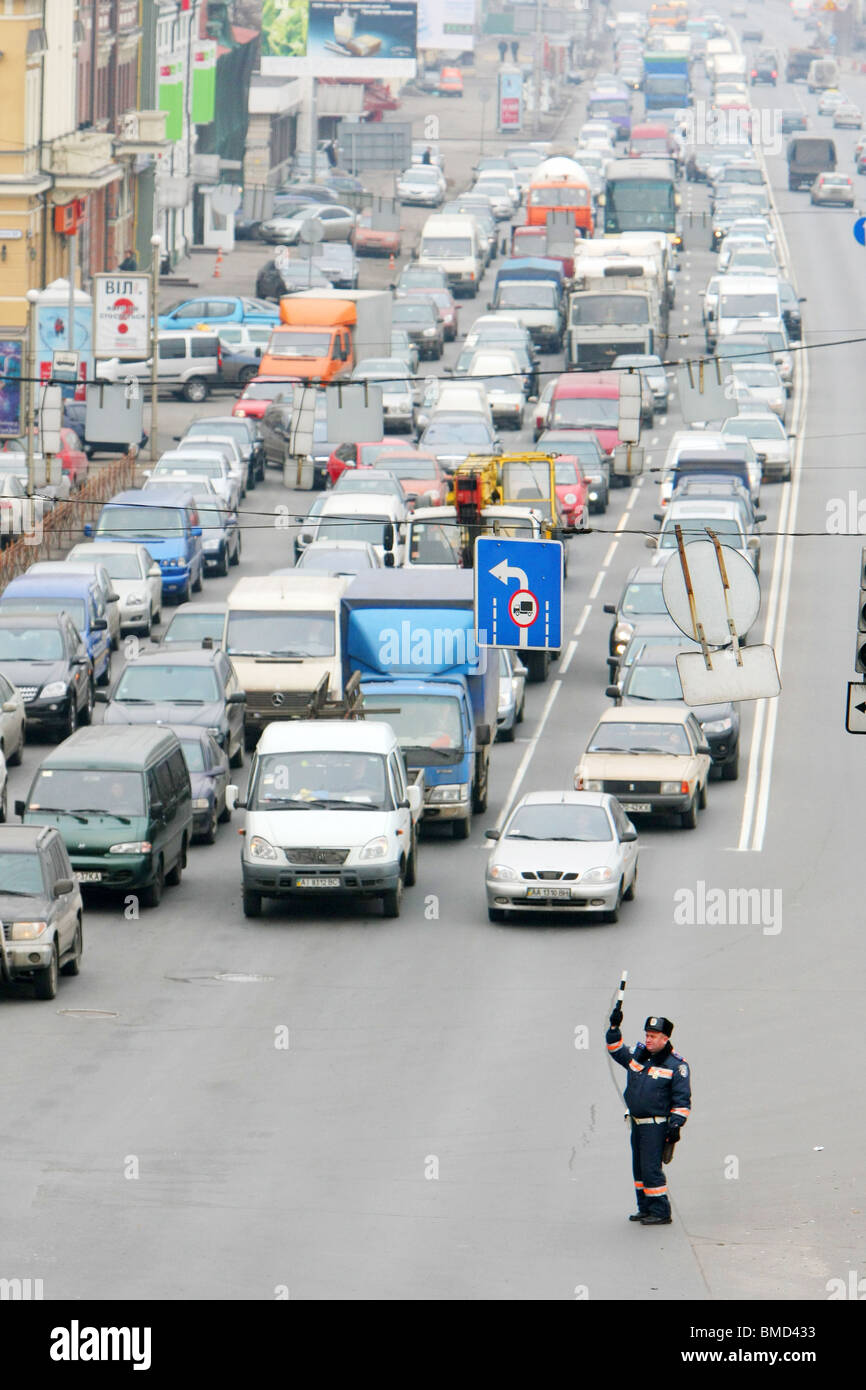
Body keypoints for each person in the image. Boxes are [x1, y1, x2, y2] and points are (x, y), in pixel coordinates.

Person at [606, 1010, 691, 1225]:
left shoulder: (676, 1066)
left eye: (653, 1036)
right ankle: (644, 1207)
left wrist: (675, 1125)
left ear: (665, 1038)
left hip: (656, 1125)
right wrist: (614, 1029)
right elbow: (616, 1051)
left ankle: (661, 1211)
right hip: (637, 1123)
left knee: (651, 1168)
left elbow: (682, 1100)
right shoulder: (639, 1055)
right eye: (647, 1035)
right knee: (639, 1167)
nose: (648, 1040)